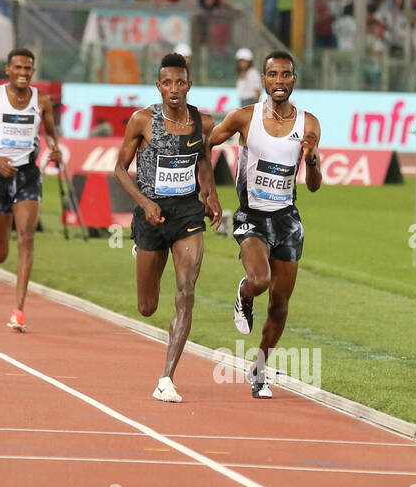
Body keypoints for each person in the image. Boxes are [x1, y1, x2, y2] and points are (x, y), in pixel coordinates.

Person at [206, 50, 322, 399]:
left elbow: (314, 185)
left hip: (287, 222)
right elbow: (206, 144)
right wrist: (208, 193)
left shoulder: (309, 124)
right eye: (273, 75)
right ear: (264, 80)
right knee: (260, 280)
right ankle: (244, 293)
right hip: (252, 217)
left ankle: (259, 368)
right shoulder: (245, 117)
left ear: (294, 79)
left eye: (286, 75)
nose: (279, 81)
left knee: (280, 305)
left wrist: (312, 160)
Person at [112, 53, 221, 403]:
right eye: (167, 83)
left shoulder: (202, 123)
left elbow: (203, 160)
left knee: (186, 290)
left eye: (180, 82)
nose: (174, 89)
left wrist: (211, 195)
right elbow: (119, 169)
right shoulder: (142, 121)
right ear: (158, 86)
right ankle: (141, 249)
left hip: (187, 214)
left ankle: (166, 379)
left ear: (189, 85)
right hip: (151, 215)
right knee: (147, 306)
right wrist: (145, 204)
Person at [0, 48, 61, 332]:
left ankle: (18, 310)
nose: (22, 73)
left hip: (28, 175)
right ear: (8, 69)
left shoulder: (42, 100)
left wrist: (54, 147)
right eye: (17, 67)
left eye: (27, 68)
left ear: (33, 71)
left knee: (27, 238)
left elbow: (51, 132)